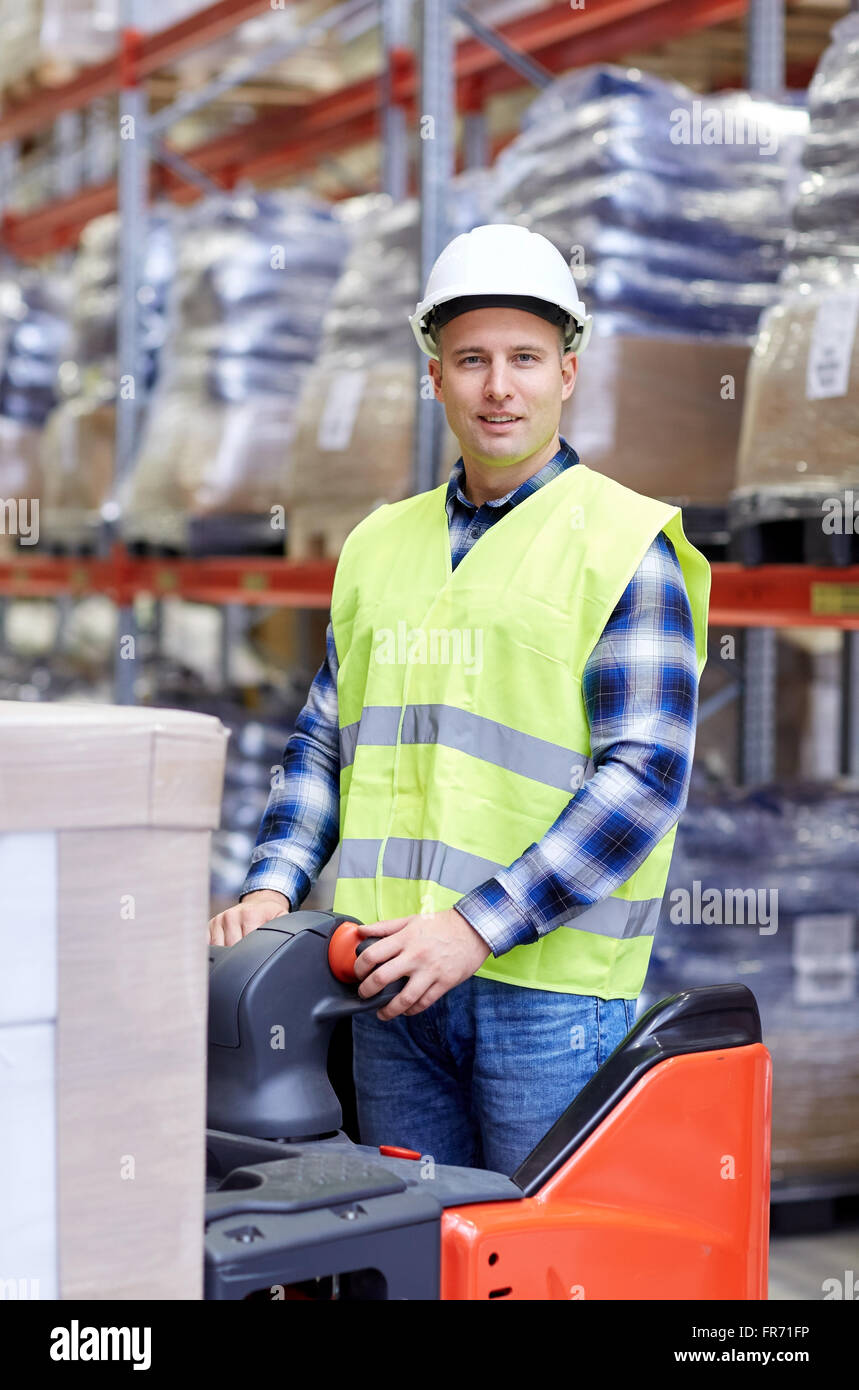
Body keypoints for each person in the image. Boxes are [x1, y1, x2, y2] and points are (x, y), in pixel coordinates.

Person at [208, 224, 711, 1177]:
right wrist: (272, 884)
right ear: (433, 377)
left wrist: (475, 925)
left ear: (568, 372)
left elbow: (642, 778)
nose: (498, 387)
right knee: (415, 1253)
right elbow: (324, 742)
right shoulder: (378, 544)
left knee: (535, 1258)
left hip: (546, 996)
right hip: (388, 982)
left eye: (524, 359)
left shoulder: (620, 543)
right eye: (471, 360)